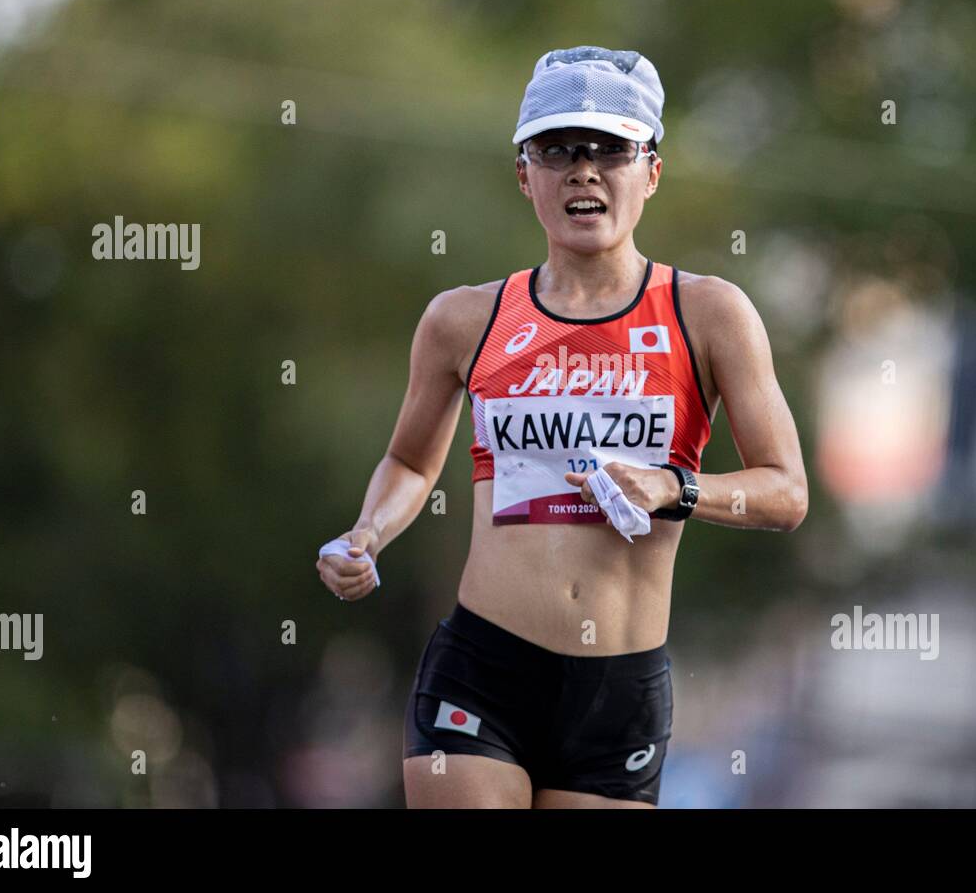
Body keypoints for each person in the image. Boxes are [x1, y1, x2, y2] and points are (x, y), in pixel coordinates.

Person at [316, 46, 808, 808]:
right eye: (557, 149)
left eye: (610, 148)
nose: (584, 170)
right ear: (524, 175)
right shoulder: (464, 319)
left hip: (618, 691)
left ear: (651, 170)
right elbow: (410, 465)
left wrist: (674, 487)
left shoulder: (709, 313)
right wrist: (367, 533)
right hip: (483, 671)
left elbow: (785, 494)